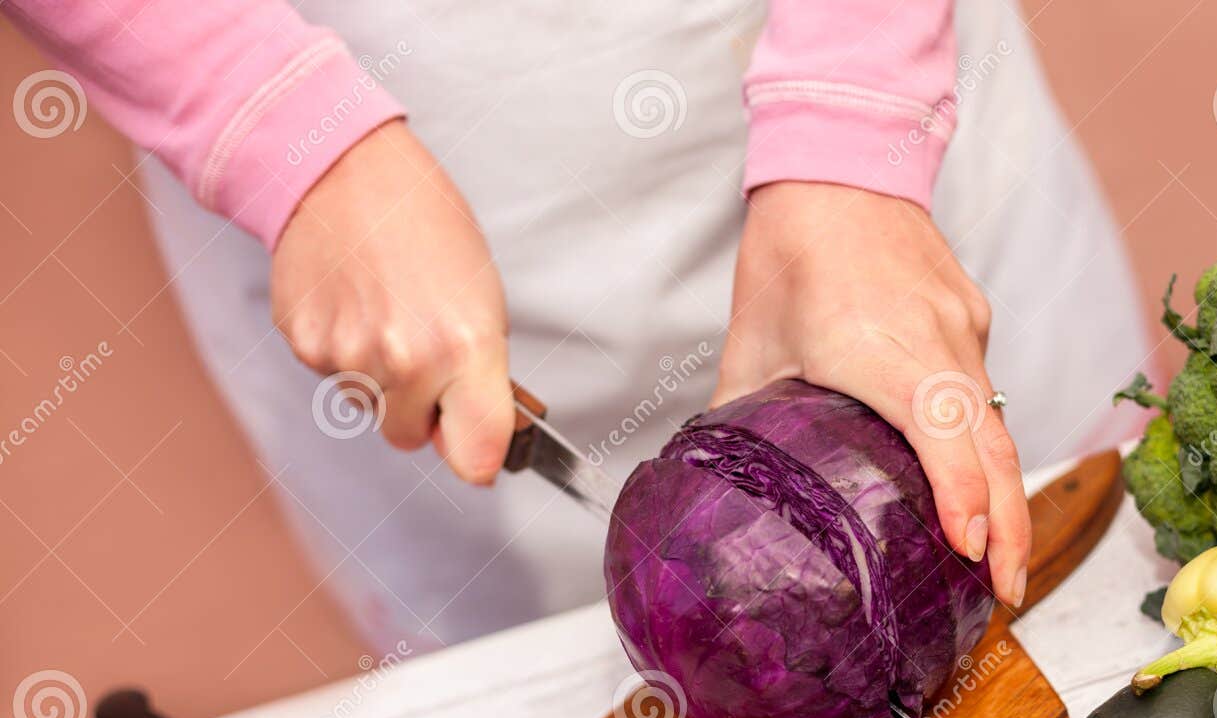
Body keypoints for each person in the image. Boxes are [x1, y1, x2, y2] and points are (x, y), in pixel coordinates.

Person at [7, 0, 1147, 651]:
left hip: (875, 95)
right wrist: (281, 137)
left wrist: (856, 132)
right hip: (344, 143)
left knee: (1092, 609)